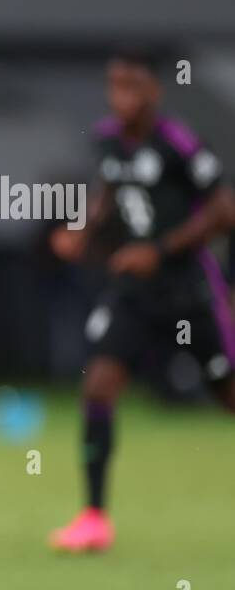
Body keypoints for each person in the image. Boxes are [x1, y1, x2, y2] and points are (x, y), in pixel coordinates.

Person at [49, 51, 235, 553]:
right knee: (99, 388)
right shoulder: (108, 139)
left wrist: (159, 249)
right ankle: (93, 518)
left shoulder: (179, 143)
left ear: (154, 90)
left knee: (226, 395)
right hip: (134, 289)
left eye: (131, 86)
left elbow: (223, 209)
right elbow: (111, 190)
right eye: (114, 86)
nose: (121, 97)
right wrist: (84, 231)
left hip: (189, 289)